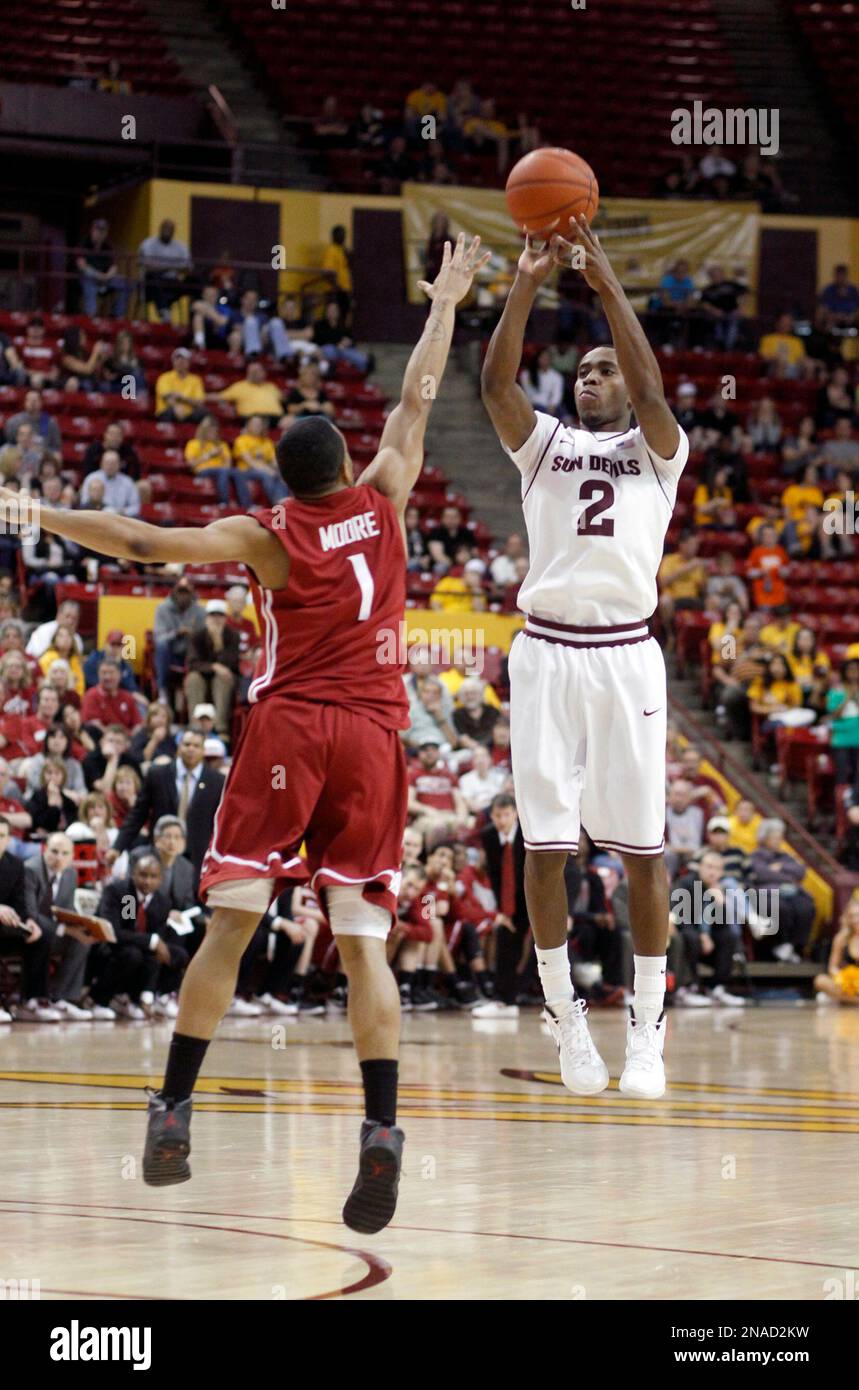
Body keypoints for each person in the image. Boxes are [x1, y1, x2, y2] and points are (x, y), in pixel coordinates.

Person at [0, 232, 489, 1232]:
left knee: (232, 922)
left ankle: (175, 1105)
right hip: (378, 739)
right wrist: (443, 301)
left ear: (281, 476)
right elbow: (420, 395)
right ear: (347, 463)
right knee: (364, 948)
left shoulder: (269, 538)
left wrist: (34, 508)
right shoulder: (388, 496)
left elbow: (141, 542)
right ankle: (382, 1131)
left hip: (294, 731)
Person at [481, 214, 690, 1101]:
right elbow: (494, 383)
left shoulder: (658, 451)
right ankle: (564, 1016)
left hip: (625, 657)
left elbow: (650, 386)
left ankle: (646, 1027)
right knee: (544, 845)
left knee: (643, 851)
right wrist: (527, 279)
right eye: (583, 371)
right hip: (547, 656)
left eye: (605, 367)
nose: (593, 377)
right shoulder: (544, 449)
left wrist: (606, 285)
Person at [114, 727, 225, 885]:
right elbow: (138, 815)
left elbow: (220, 823)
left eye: (196, 745)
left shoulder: (217, 781)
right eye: (186, 744)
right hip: (159, 855)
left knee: (189, 905)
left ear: (203, 750)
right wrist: (118, 846)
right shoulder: (157, 774)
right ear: (179, 746)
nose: (191, 749)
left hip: (197, 857)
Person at [0, 815, 60, 1022]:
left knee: (41, 935)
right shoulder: (125, 894)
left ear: (9, 840)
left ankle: (32, 1001)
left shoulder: (15, 865)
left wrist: (29, 921)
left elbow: (21, 903)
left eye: (1, 836)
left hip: (8, 927)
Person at [184, 600, 240, 736]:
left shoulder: (232, 636)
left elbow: (232, 663)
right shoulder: (197, 636)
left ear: (225, 618)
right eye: (212, 615)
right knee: (193, 679)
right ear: (206, 618)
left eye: (220, 615)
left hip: (224, 679)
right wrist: (214, 667)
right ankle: (195, 725)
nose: (216, 619)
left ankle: (220, 728)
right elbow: (192, 663)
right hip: (202, 675)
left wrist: (219, 643)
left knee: (223, 678)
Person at [138, 220, 193, 321]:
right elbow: (147, 266)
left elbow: (188, 268)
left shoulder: (180, 247)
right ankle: (164, 311)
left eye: (170, 229)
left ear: (173, 231)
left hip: (172, 281)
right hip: (151, 283)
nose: (167, 231)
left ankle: (198, 312)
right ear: (160, 229)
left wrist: (163, 267)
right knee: (153, 278)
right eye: (165, 228)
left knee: (194, 280)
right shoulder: (148, 244)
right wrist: (171, 267)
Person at [76, 218, 129, 318]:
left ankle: (117, 315)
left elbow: (114, 266)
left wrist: (108, 276)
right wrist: (99, 276)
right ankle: (91, 316)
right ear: (92, 230)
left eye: (103, 231)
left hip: (106, 278)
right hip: (89, 277)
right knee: (89, 284)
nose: (100, 234)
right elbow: (82, 265)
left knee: (124, 283)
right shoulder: (84, 243)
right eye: (98, 230)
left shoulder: (108, 246)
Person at [814, 900, 859, 1005]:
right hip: (847, 984)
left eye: (858, 915)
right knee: (820, 980)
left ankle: (844, 999)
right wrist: (843, 978)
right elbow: (832, 967)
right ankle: (853, 1000)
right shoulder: (841, 938)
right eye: (852, 916)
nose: (855, 920)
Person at [155, 349, 206, 424]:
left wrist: (182, 397)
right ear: (173, 362)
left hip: (189, 413)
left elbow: (199, 402)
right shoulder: (164, 378)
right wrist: (176, 406)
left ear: (189, 362)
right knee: (169, 413)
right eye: (177, 359)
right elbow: (167, 397)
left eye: (183, 359)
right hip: (168, 411)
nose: (180, 362)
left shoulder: (196, 380)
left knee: (204, 414)